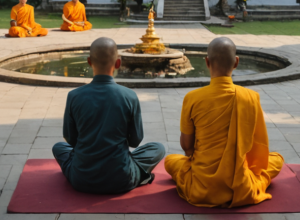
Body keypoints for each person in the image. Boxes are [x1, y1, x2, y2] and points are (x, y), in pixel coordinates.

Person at [164, 37, 283, 208]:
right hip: (241, 184)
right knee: (276, 159)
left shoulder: (192, 98)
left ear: (207, 62)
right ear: (236, 62)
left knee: (170, 160)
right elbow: (257, 150)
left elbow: (187, 148)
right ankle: (253, 182)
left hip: (201, 187)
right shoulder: (250, 97)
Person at [53, 38, 165, 194]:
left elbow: (70, 139)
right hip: (121, 177)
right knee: (158, 148)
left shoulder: (74, 96)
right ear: (118, 63)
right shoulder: (129, 96)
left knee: (59, 148)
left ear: (89, 62)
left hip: (81, 178)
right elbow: (135, 141)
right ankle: (137, 173)